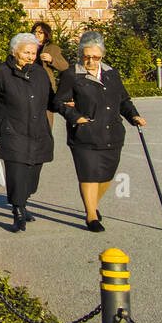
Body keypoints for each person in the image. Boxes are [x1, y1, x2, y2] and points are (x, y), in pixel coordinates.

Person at [52, 31, 147, 232]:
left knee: (106, 175)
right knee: (89, 174)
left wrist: (134, 116)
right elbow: (58, 101)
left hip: (112, 133)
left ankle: (92, 204)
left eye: (95, 57)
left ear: (102, 55)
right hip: (85, 134)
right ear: (80, 54)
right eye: (86, 56)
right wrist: (74, 116)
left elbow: (124, 100)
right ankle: (91, 215)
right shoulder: (71, 74)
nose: (90, 60)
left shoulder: (112, 73)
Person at [0, 33, 55, 232]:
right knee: (17, 172)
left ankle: (23, 200)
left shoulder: (40, 73)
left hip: (38, 132)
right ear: (14, 52)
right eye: (26, 52)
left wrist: (71, 106)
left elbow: (52, 100)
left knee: (32, 175)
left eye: (33, 53)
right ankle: (18, 210)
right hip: (11, 130)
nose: (30, 56)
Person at [31, 21, 70, 127]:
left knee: (46, 115)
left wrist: (51, 59)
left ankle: (46, 138)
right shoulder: (28, 46)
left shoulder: (52, 48)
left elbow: (64, 66)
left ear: (46, 34)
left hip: (44, 85)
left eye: (41, 32)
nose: (37, 34)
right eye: (35, 32)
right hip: (28, 84)